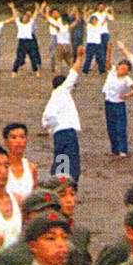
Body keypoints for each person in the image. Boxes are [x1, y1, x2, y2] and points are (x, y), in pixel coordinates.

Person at [41, 45, 86, 186]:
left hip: (58, 134)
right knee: (72, 165)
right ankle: (67, 189)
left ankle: (57, 187)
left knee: (61, 162)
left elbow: (45, 120)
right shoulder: (62, 91)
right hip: (67, 133)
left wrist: (53, 128)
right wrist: (78, 58)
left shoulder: (53, 98)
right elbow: (73, 74)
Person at [102, 57, 133, 158]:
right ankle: (115, 149)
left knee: (121, 128)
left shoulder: (126, 79)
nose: (122, 71)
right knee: (111, 127)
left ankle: (123, 150)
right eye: (121, 68)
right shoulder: (112, 72)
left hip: (119, 104)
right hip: (109, 102)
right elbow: (107, 62)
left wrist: (127, 95)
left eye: (125, 70)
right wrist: (108, 49)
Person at [1, 123, 37, 204]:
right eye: (13, 137)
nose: (18, 141)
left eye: (22, 137)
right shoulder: (0, 167)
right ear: (6, 141)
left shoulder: (31, 168)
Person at [9, 2, 42, 74]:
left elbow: (34, 16)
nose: (25, 18)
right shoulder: (19, 24)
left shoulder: (30, 24)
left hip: (29, 42)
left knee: (33, 57)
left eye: (26, 18)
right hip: (22, 42)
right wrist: (12, 8)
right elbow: (15, 16)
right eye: (24, 17)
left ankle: (36, 71)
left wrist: (37, 9)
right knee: (19, 58)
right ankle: (14, 72)